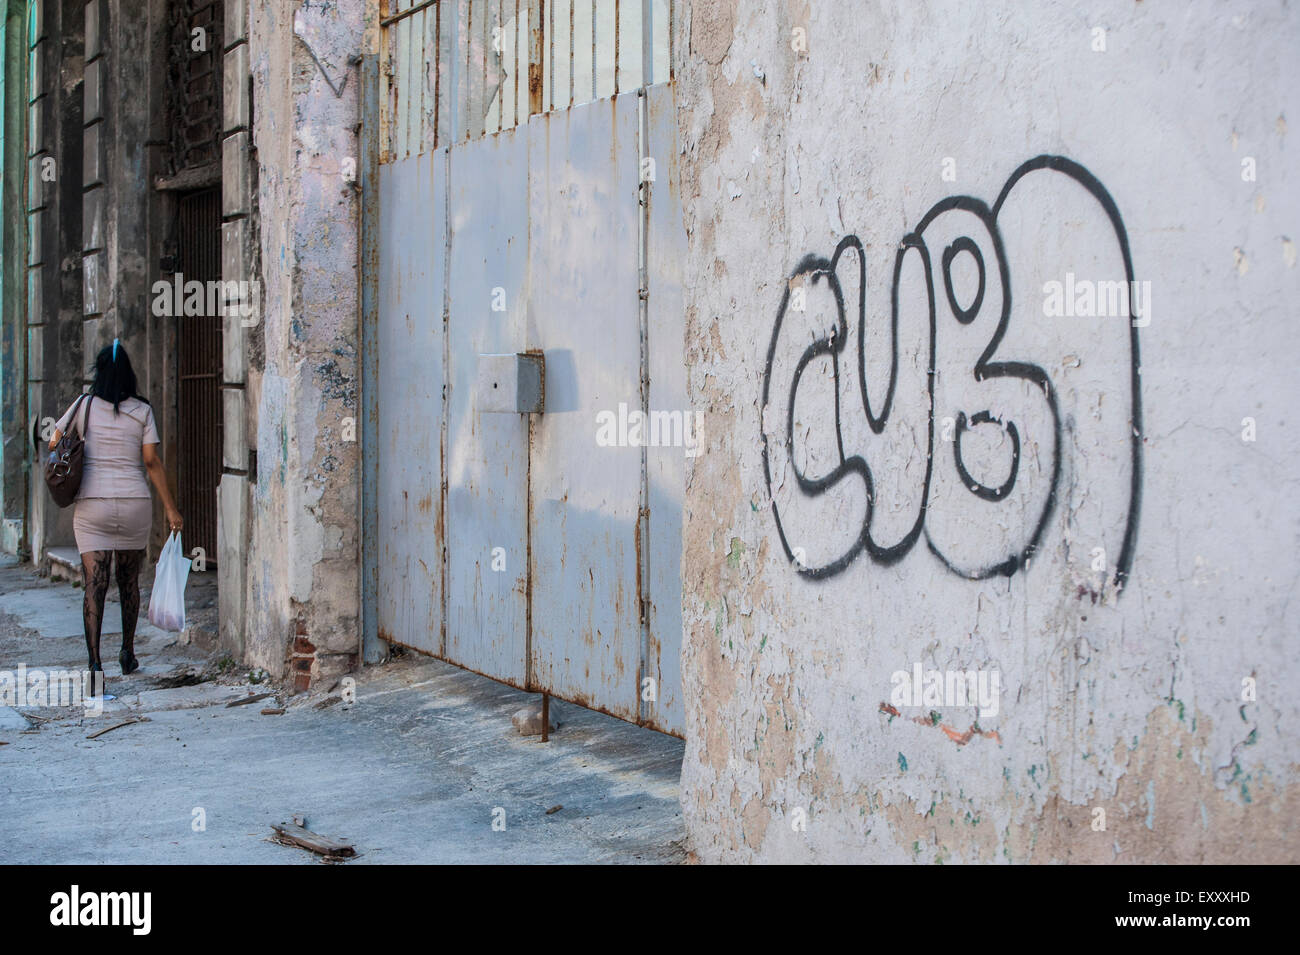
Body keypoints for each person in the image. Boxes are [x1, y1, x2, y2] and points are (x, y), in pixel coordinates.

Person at [49, 342, 183, 689]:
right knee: (129, 582)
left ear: (99, 373)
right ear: (128, 373)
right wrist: (170, 508)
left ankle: (95, 665)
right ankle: (127, 652)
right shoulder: (142, 410)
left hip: (93, 504)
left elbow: (53, 442)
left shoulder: (83, 405)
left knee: (94, 584)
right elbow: (151, 461)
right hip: (134, 503)